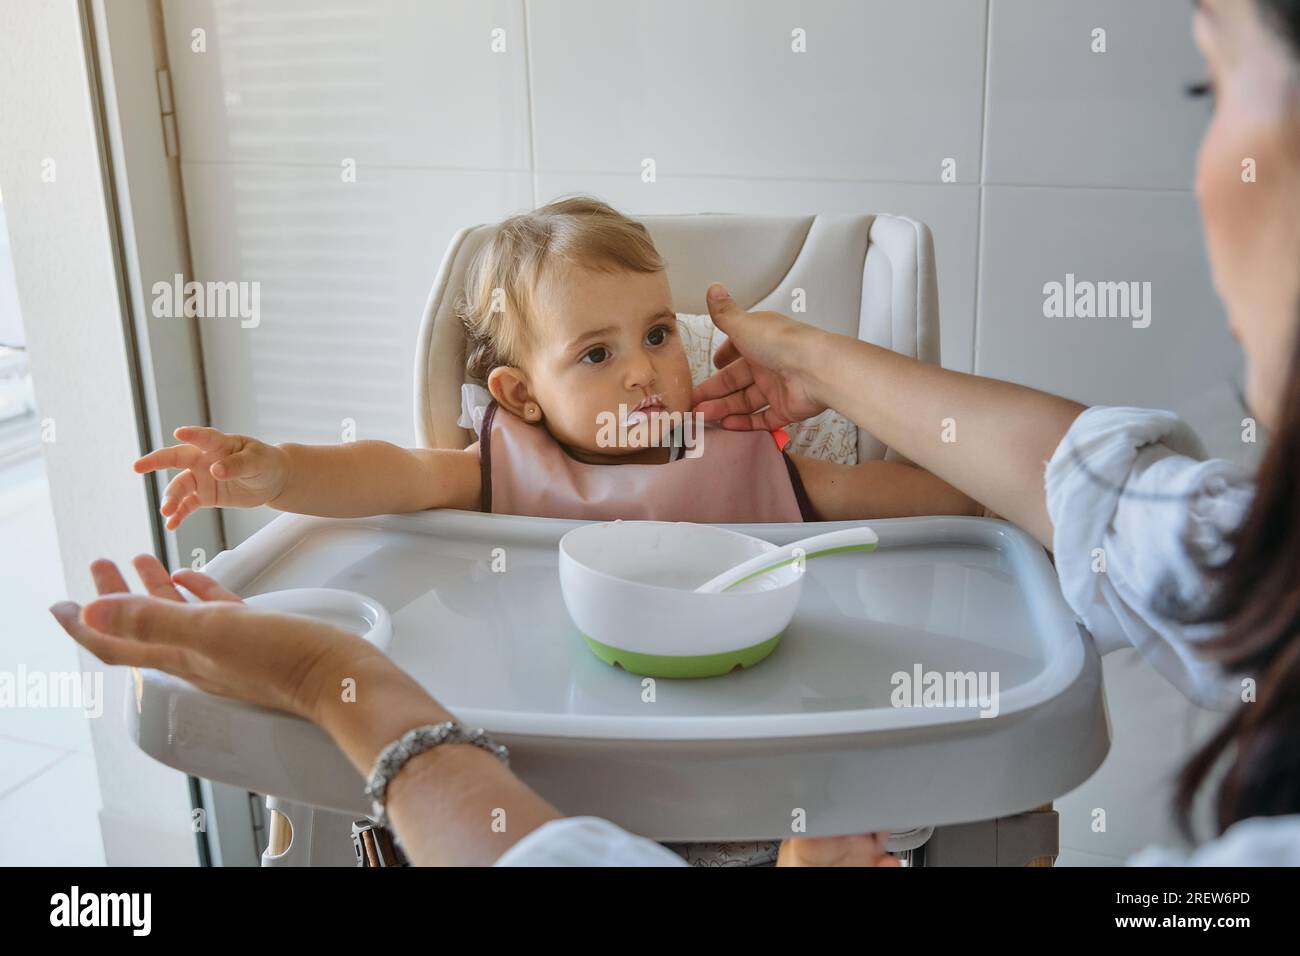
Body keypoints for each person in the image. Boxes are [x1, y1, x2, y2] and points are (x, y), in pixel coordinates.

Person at [51, 0, 1300, 865]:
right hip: (553, 778)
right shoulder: (504, 467)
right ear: (524, 396)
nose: (649, 362)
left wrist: (992, 508)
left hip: (752, 791)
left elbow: (917, 501)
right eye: (595, 351)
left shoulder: (743, 460)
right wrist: (269, 466)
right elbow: (382, 478)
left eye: (657, 331)